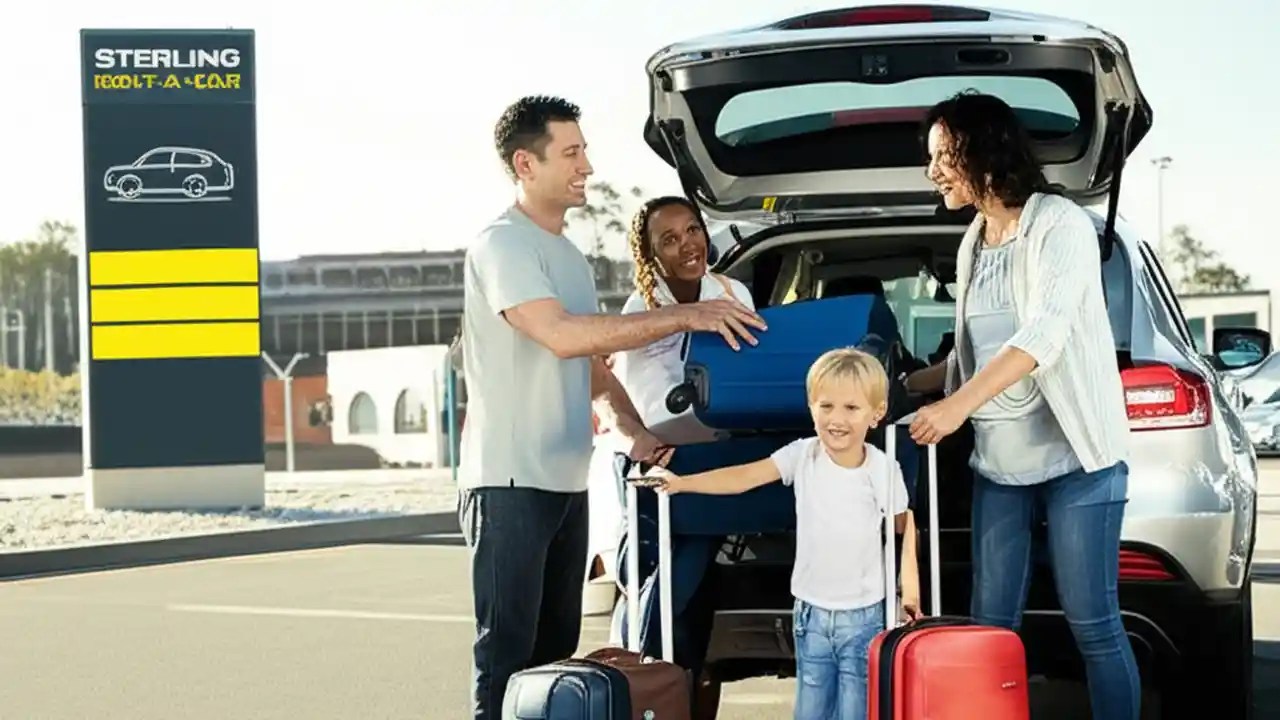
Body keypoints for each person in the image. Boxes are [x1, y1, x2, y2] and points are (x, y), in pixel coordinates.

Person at [458, 95, 767, 719]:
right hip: (508, 482)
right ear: (526, 163)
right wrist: (687, 314)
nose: (587, 166)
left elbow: (594, 371)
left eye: (584, 150)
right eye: (571, 152)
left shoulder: (568, 257)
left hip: (566, 482)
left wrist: (640, 434)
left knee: (552, 655)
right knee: (506, 657)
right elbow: (564, 335)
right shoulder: (504, 245)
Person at [904, 91, 1139, 720]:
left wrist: (954, 408)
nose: (932, 172)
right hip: (1001, 465)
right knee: (990, 627)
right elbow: (971, 356)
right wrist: (897, 391)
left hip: (1079, 461)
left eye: (942, 157)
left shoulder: (1058, 223)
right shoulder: (974, 240)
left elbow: (1042, 334)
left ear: (982, 151)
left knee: (1094, 625)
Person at [646, 347, 922, 720]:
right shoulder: (802, 455)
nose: (836, 419)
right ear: (811, 407)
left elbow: (905, 531)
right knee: (810, 709)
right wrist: (682, 483)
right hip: (810, 614)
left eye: (851, 408)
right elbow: (744, 476)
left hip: (864, 617)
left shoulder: (881, 469)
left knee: (857, 710)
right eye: (825, 406)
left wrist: (911, 595)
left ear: (876, 414)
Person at [609, 195, 755, 445]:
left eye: (692, 230)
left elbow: (748, 373)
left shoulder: (733, 294)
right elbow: (651, 404)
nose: (688, 246)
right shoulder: (639, 313)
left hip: (734, 434)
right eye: (670, 240)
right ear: (650, 255)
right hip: (671, 446)